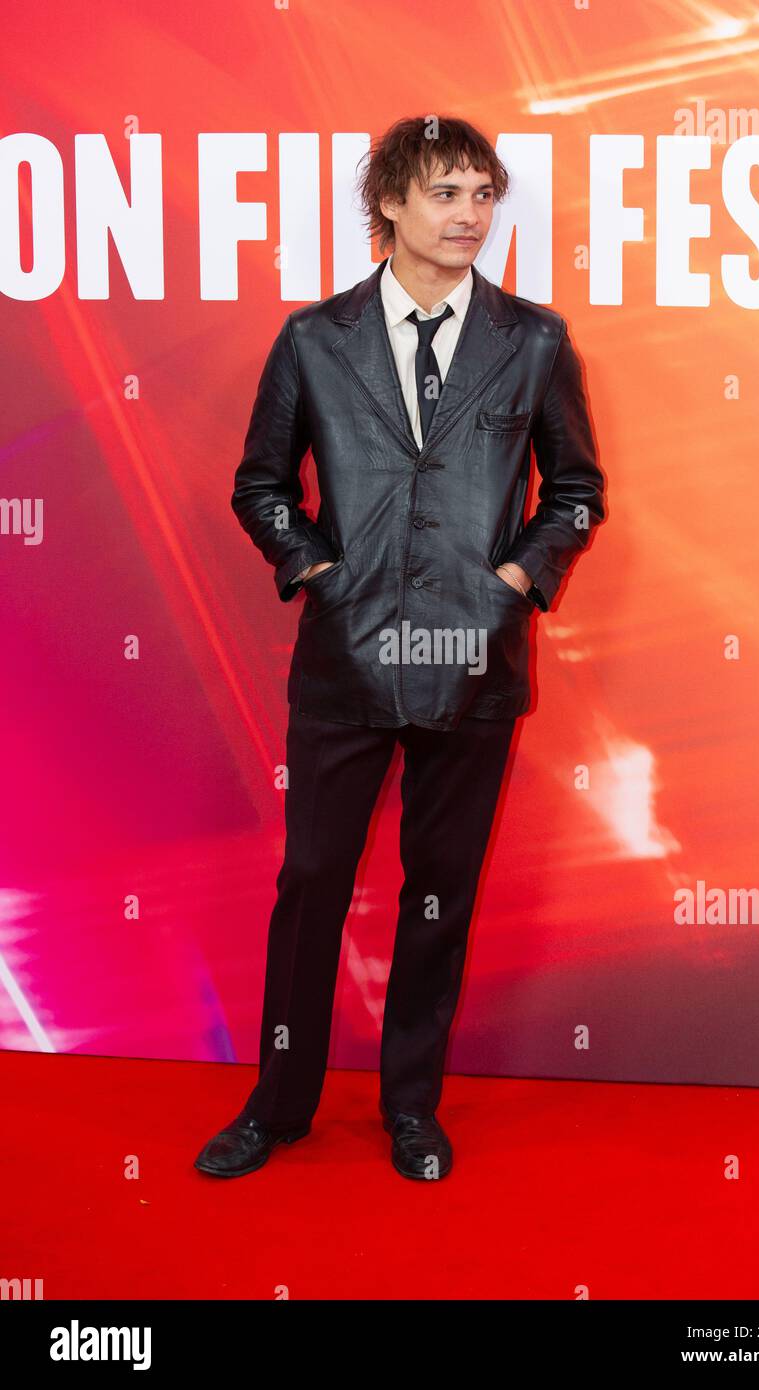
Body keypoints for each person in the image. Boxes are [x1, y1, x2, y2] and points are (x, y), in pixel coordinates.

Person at [194, 114, 605, 1181]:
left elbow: (574, 493)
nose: (469, 215)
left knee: (438, 894)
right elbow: (259, 486)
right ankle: (276, 1109)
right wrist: (320, 574)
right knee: (312, 887)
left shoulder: (533, 340)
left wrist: (510, 583)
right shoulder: (315, 339)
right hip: (343, 662)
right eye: (445, 194)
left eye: (481, 195)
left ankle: (411, 1111)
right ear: (388, 205)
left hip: (475, 664)